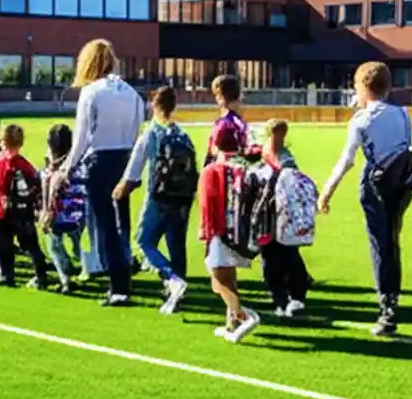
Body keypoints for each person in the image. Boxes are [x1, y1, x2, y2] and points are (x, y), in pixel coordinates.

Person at [318, 61, 412, 336]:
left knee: (379, 245)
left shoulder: (361, 120)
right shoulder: (403, 113)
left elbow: (347, 160)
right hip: (401, 185)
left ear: (363, 87)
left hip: (376, 188)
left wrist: (327, 191)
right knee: (392, 242)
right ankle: (392, 300)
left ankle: (387, 307)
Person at [53, 39, 145, 307]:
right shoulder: (131, 93)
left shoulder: (91, 93)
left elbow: (82, 138)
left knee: (104, 224)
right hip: (124, 159)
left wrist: (66, 169)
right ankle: (122, 275)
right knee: (120, 222)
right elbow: (136, 134)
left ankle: (117, 285)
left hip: (99, 161)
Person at [116, 85, 194, 315]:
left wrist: (120, 190)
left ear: (153, 105)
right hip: (182, 197)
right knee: (176, 244)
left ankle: (170, 278)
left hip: (158, 196)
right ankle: (179, 289)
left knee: (144, 240)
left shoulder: (151, 133)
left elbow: (134, 170)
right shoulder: (182, 134)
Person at [199, 119, 261, 343]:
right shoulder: (245, 168)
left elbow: (208, 205)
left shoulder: (211, 170)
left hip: (220, 230)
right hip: (242, 232)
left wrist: (205, 232)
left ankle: (242, 314)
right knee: (230, 276)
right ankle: (231, 322)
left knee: (218, 281)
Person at [259, 118, 312, 318]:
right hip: (269, 214)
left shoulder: (285, 160)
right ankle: (281, 298)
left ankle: (292, 296)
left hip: (281, 214)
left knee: (285, 254)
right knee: (273, 255)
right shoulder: (267, 155)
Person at [0, 124, 49, 288]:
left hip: (4, 212)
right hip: (24, 211)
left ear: (2, 141)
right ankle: (41, 275)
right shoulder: (24, 164)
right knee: (31, 245)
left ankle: (6, 276)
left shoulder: (0, 160)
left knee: (4, 246)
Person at [40, 124, 85, 294]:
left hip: (58, 216)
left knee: (53, 245)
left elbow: (49, 194)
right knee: (78, 245)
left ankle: (65, 279)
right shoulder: (77, 163)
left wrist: (46, 213)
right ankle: (87, 269)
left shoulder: (52, 170)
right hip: (78, 214)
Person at [204, 75, 248, 167]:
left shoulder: (222, 124)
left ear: (220, 97)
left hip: (221, 172)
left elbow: (212, 154)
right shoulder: (241, 123)